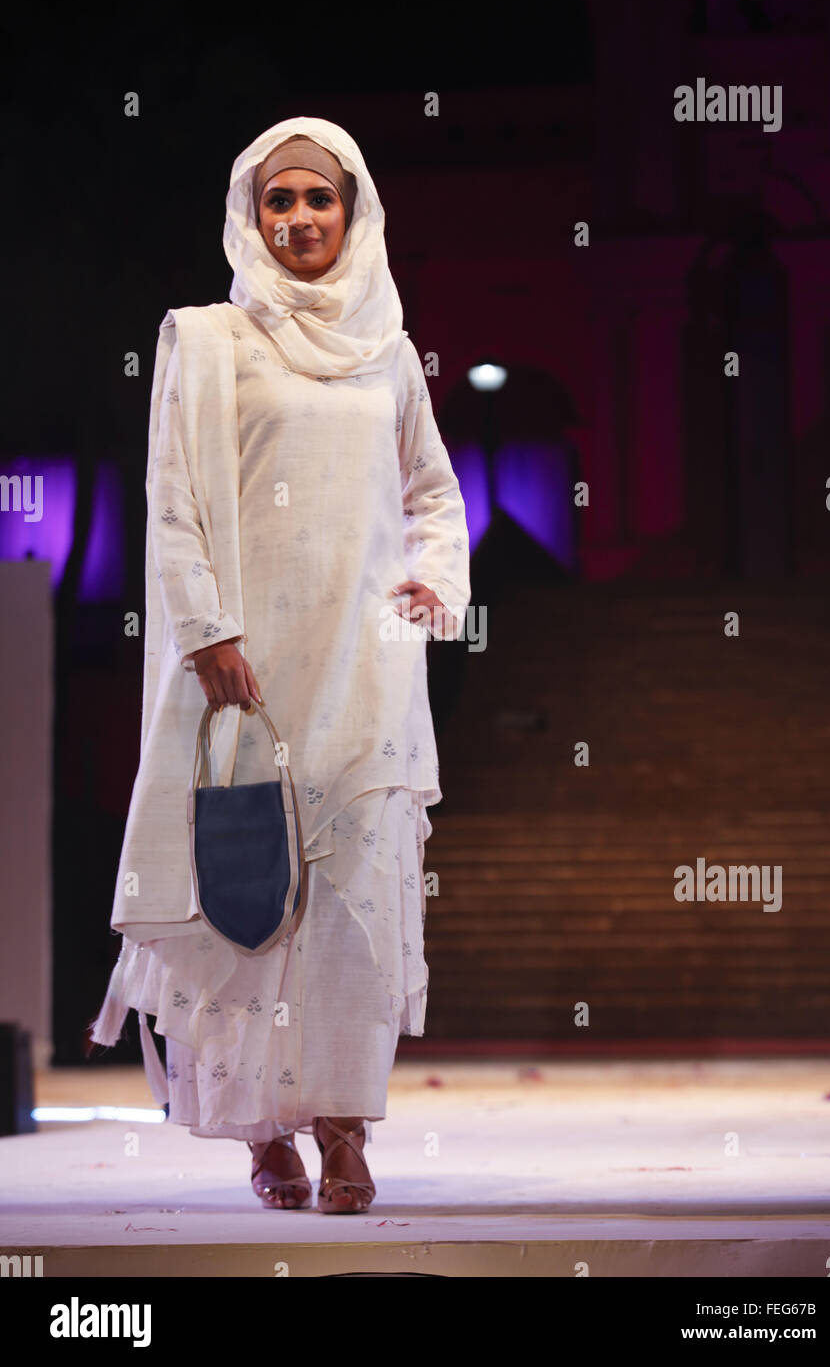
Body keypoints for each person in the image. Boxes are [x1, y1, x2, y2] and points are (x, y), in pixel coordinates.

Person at [89, 116, 471, 1213]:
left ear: (354, 215)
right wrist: (206, 629)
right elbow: (173, 498)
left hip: (363, 671)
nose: (300, 218)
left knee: (351, 904)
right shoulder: (208, 340)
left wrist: (432, 585)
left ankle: (346, 1130)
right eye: (278, 201)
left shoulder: (389, 353)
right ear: (249, 217)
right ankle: (261, 1134)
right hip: (244, 669)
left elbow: (432, 495)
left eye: (319, 199)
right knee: (246, 899)